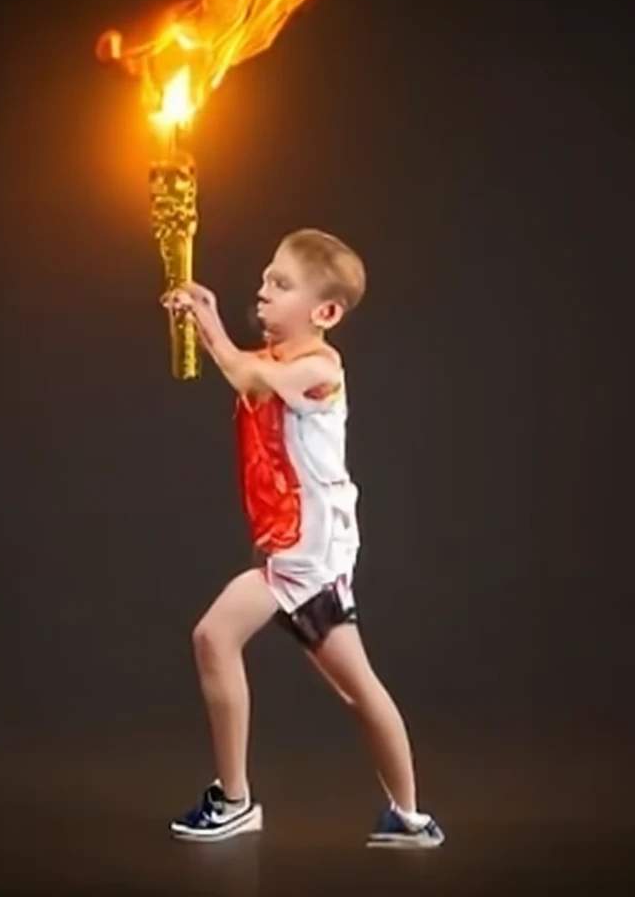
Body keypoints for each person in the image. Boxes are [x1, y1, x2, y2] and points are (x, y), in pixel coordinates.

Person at [161, 228, 444, 848]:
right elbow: (247, 367)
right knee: (327, 676)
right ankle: (401, 816)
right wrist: (203, 322)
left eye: (281, 284)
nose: (263, 291)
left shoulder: (319, 366)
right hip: (290, 551)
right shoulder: (276, 359)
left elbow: (246, 378)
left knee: (242, 646)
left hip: (308, 556)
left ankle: (246, 802)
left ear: (325, 313)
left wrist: (205, 320)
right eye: (266, 278)